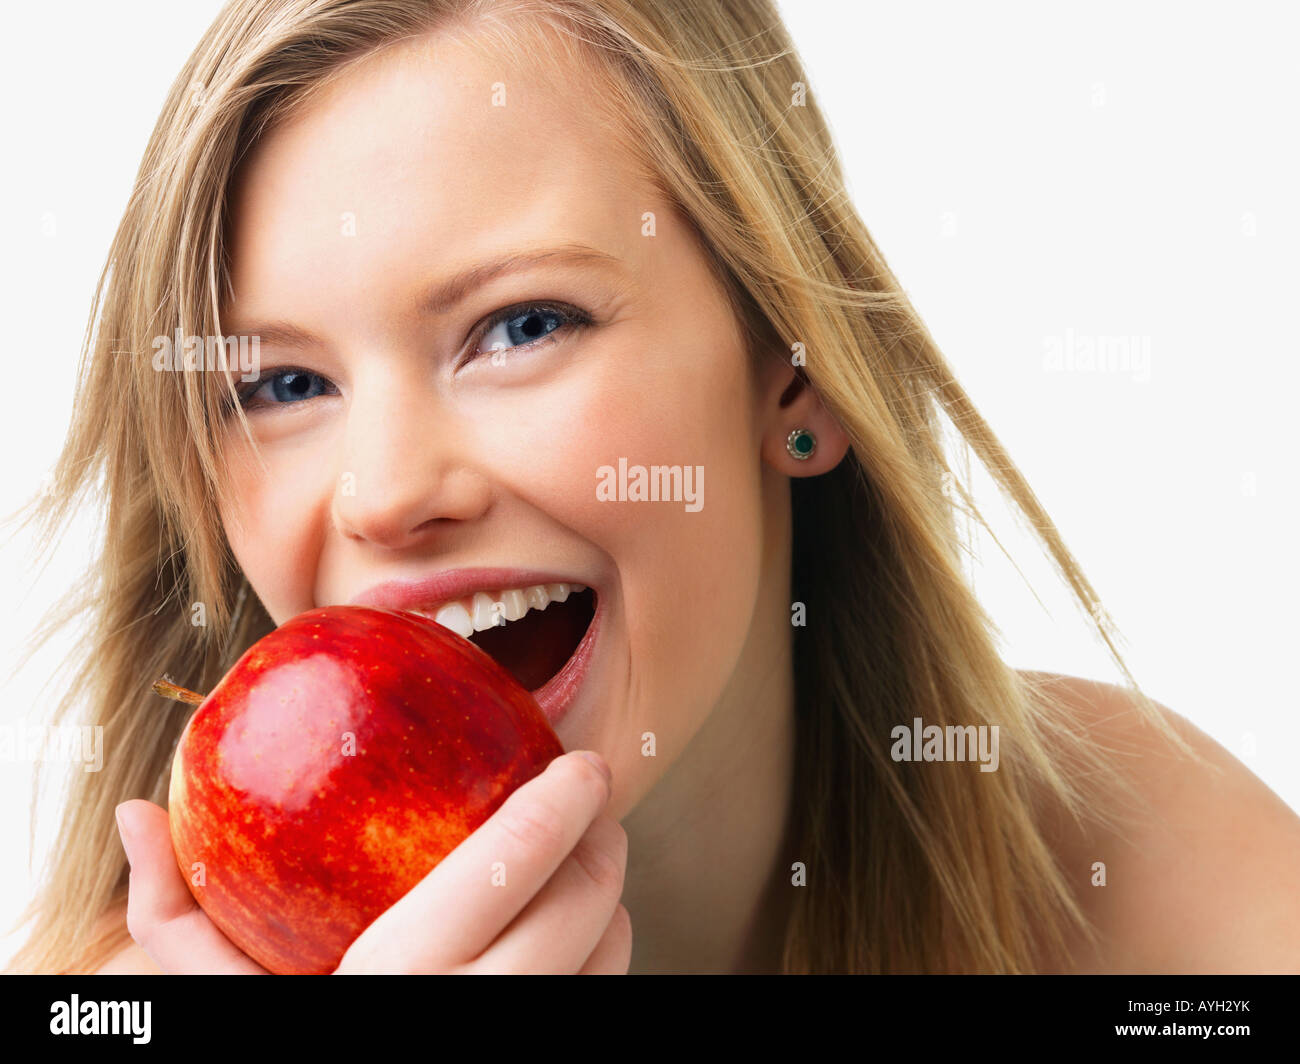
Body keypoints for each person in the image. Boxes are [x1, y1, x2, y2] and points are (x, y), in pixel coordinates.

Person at [8, 0, 1300, 975]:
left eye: (522, 326)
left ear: (797, 376)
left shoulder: (1142, 879)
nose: (388, 494)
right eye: (280, 387)